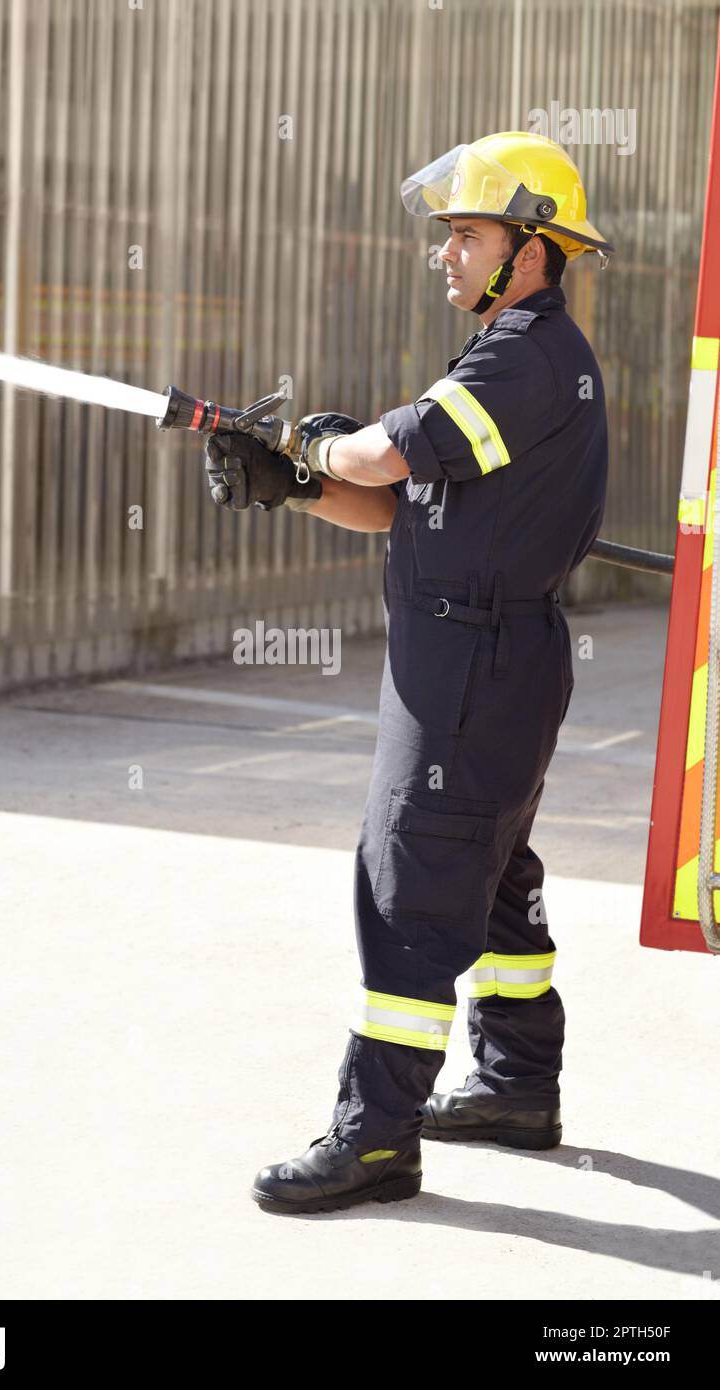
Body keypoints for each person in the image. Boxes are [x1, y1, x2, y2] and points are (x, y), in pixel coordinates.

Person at [203, 132, 613, 1215]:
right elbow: (394, 500)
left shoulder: (520, 355)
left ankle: (376, 1137)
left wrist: (321, 444)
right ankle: (516, 1085)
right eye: (445, 237)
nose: (445, 255)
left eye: (466, 235)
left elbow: (382, 455)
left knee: (412, 878)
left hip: (470, 663)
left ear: (529, 249)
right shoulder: (520, 356)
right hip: (485, 658)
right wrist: (292, 479)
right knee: (489, 870)